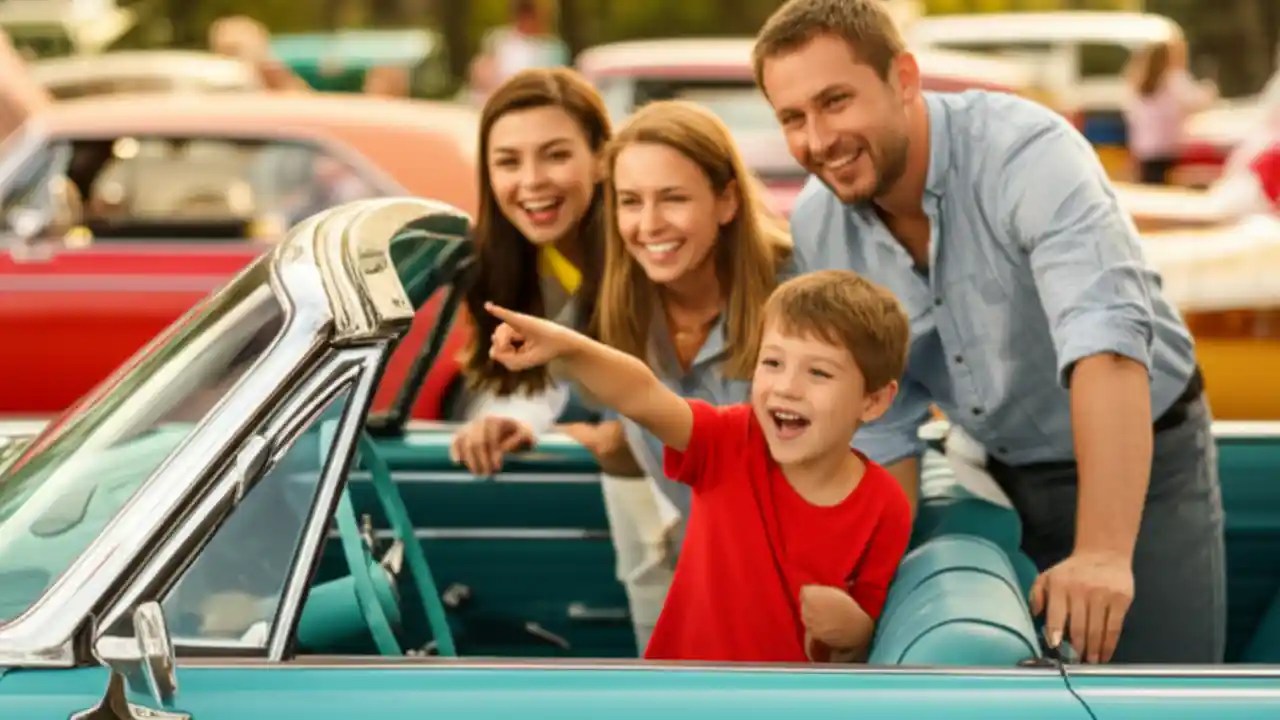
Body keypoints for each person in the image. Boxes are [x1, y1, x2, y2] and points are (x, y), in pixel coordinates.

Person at [753, 0, 1224, 665]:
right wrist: (869, 590)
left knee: (1165, 690)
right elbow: (883, 427)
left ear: (904, 79)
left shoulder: (1026, 152)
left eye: (836, 101)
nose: (818, 139)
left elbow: (1106, 342)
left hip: (1144, 459)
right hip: (996, 471)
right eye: (792, 118)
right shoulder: (818, 224)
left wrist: (1100, 554)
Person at [482, 268, 913, 662]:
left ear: (873, 401)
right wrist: (568, 346)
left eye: (818, 373)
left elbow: (863, 651)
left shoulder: (885, 506)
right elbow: (642, 394)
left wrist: (855, 630)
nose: (787, 387)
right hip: (681, 696)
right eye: (772, 362)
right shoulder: (729, 441)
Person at [446, 67, 665, 651]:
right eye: (509, 162)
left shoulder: (650, 242)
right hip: (636, 501)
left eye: (555, 155)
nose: (532, 182)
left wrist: (635, 433)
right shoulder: (509, 262)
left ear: (601, 158)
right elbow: (535, 377)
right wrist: (512, 421)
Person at [1123, 36, 1218, 184]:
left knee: (1149, 190)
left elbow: (1131, 116)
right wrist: (1210, 89)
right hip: (1166, 150)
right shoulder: (1174, 79)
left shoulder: (1137, 82)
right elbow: (1196, 101)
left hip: (1143, 150)